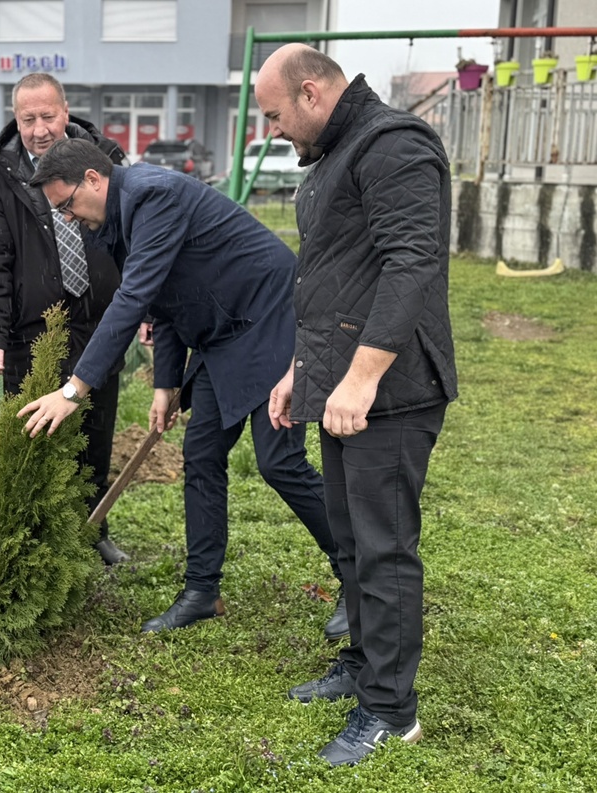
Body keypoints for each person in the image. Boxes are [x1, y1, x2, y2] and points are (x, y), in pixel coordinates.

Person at [17, 138, 345, 640]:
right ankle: (201, 591)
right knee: (202, 453)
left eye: (66, 205)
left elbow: (134, 298)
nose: (65, 218)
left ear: (92, 179)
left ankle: (359, 579)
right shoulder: (114, 219)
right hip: (222, 335)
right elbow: (164, 301)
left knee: (278, 460)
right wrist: (166, 384)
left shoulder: (153, 195)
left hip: (272, 318)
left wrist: (72, 389)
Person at [255, 44, 458, 766]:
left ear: (311, 93)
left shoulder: (393, 145)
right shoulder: (338, 154)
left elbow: (413, 262)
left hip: (391, 394)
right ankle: (364, 663)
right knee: (349, 539)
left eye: (275, 114)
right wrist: (297, 372)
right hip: (340, 388)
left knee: (384, 547)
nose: (272, 129)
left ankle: (392, 709)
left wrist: (366, 376)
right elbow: (333, 279)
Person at [0, 73, 130, 566]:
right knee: (37, 433)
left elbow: (131, 241)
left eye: (47, 116)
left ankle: (93, 528)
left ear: (66, 111)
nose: (38, 129)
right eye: (26, 119)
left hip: (100, 320)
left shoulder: (105, 161)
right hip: (31, 332)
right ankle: (38, 538)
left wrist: (144, 312)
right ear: (15, 119)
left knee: (96, 431)